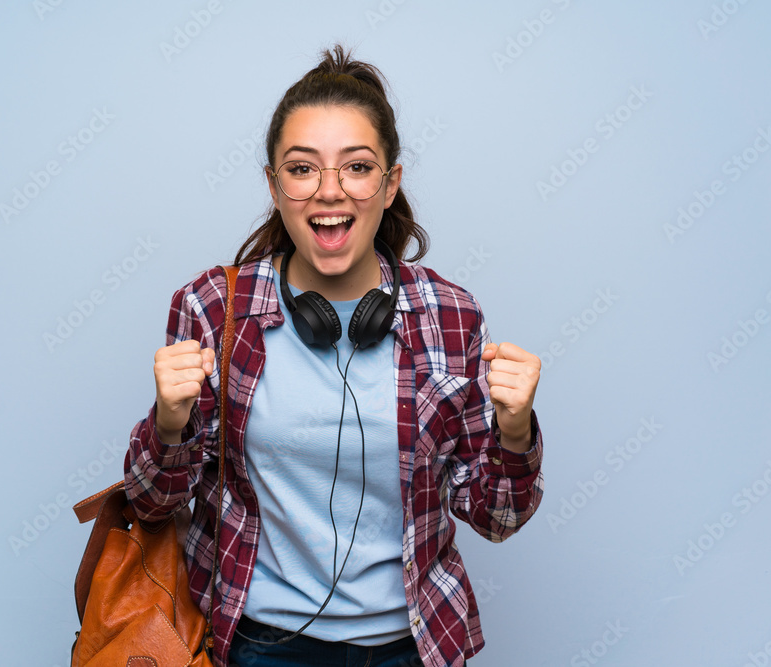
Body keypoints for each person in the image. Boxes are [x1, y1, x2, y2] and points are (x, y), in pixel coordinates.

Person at [124, 44, 544, 667]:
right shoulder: (215, 308)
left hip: (411, 647)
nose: (329, 191)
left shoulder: (451, 316)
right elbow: (150, 504)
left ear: (390, 182)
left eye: (356, 167)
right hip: (257, 646)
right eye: (301, 168)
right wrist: (166, 423)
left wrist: (514, 433)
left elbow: (496, 518)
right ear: (273, 184)